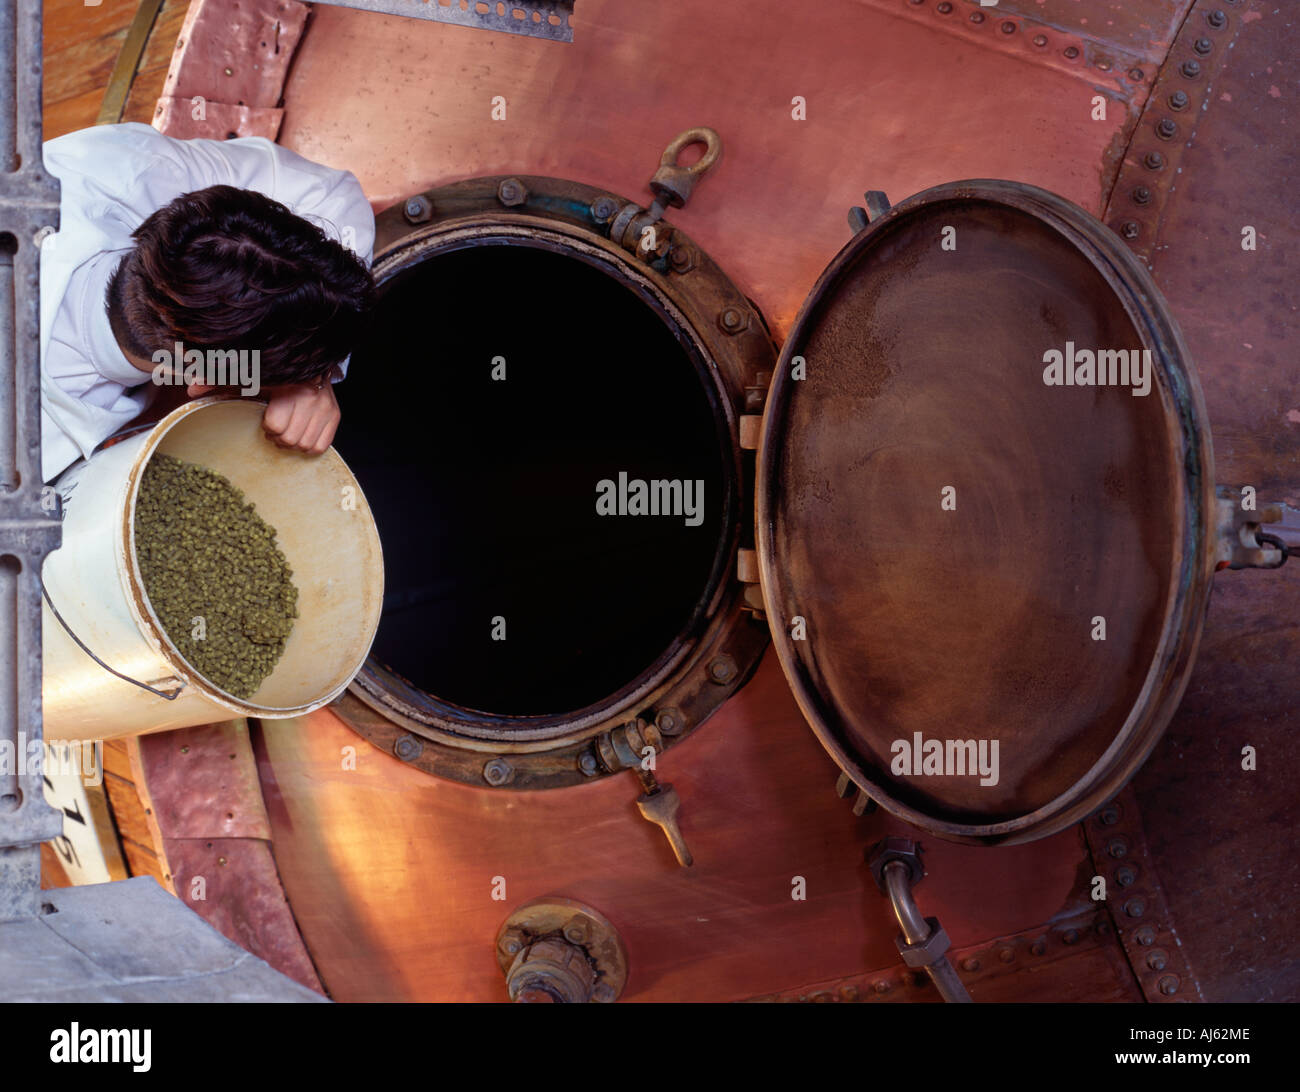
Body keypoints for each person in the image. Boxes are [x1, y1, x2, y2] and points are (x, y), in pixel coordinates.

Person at [39, 122, 376, 483]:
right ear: (202, 382)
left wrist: (313, 381)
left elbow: (332, 193)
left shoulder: (120, 165)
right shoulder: (33, 447)